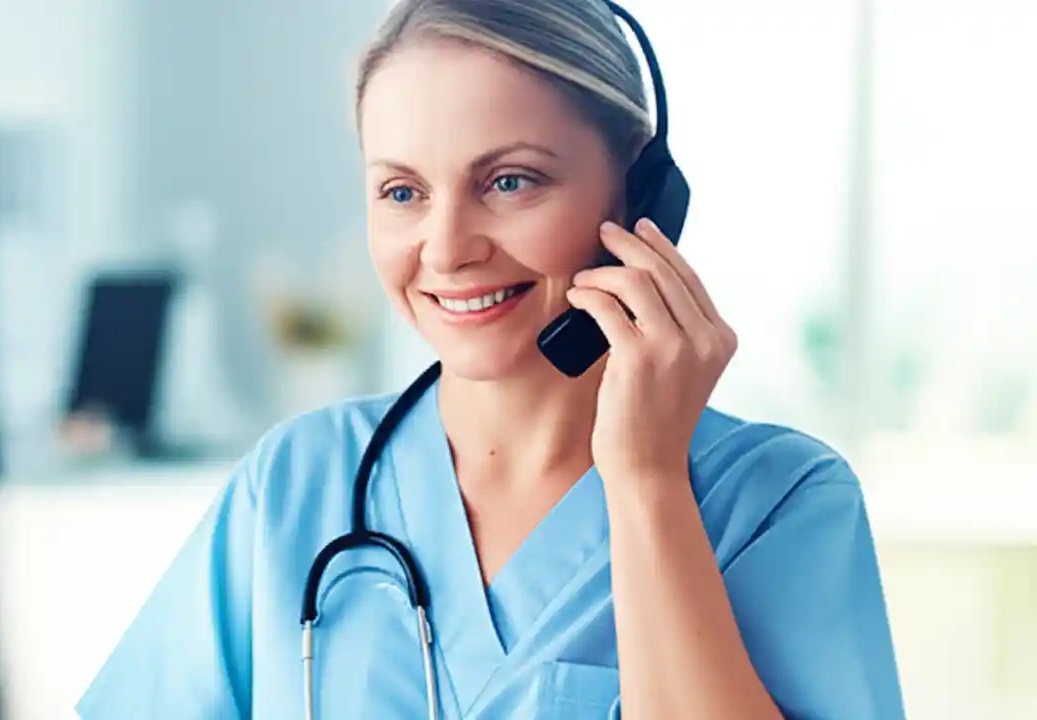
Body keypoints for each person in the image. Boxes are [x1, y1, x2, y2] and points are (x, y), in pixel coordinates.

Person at [76, 1, 905, 717]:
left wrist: (646, 477)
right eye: (403, 193)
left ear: (641, 193)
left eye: (510, 182)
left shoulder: (774, 502)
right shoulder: (295, 485)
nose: (446, 249)